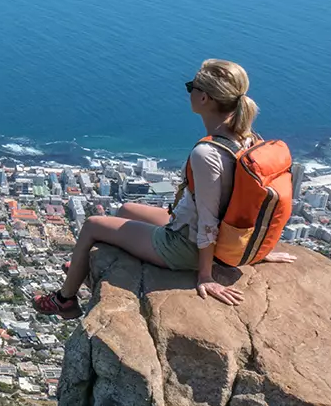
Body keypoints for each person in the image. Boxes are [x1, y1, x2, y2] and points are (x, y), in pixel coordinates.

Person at [33, 59, 293, 318]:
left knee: (91, 225)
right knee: (125, 209)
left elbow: (207, 219)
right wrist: (256, 248)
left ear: (205, 99)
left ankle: (64, 300)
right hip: (214, 234)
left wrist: (205, 275)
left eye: (191, 86)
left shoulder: (207, 153)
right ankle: (81, 266)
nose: (189, 91)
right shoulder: (250, 139)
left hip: (184, 246)